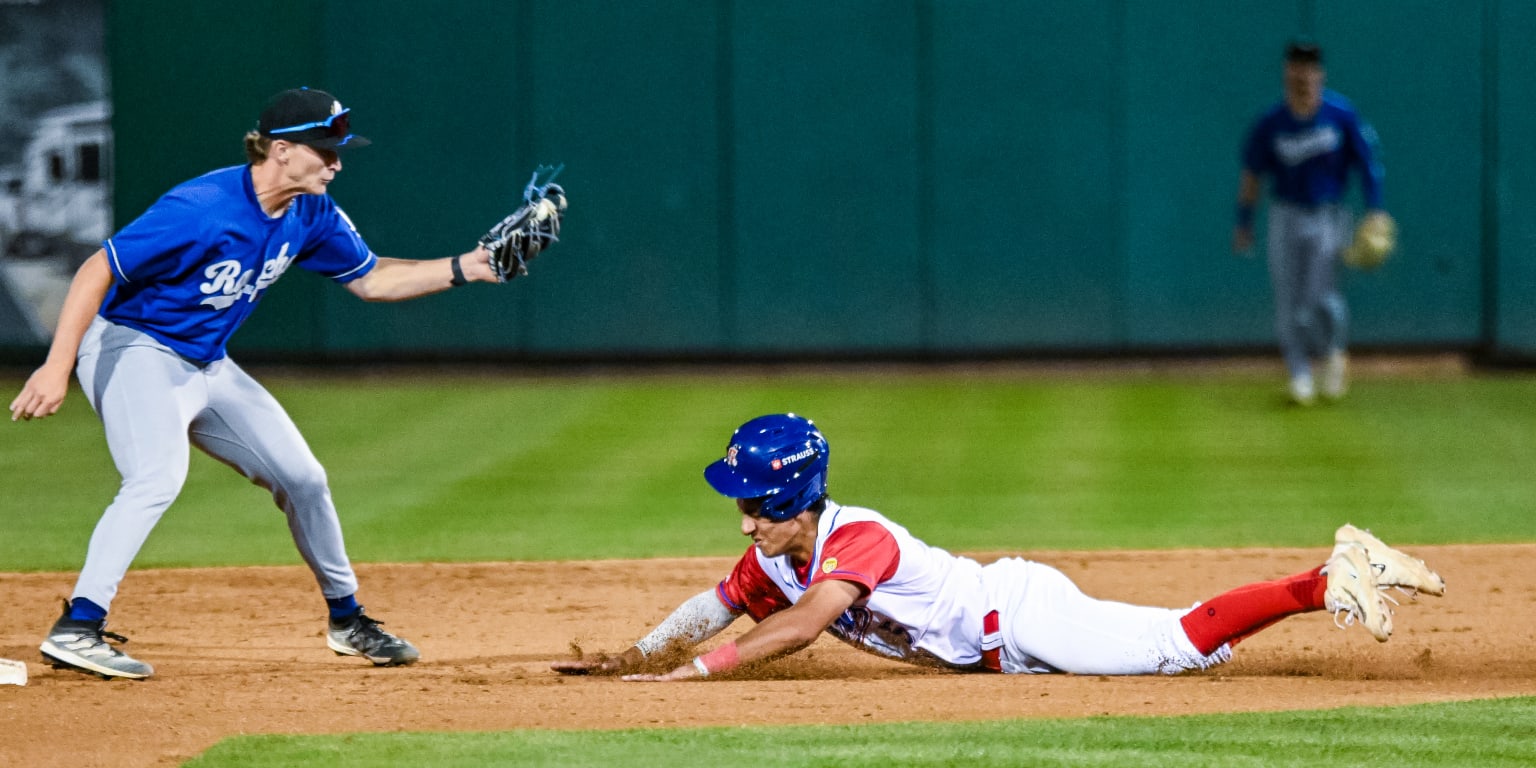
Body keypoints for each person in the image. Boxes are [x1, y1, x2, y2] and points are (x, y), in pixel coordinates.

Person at [8, 87, 507, 679]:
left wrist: (468, 267)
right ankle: (78, 627)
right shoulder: (202, 206)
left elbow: (372, 281)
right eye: (324, 150)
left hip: (207, 361)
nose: (336, 163)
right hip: (133, 345)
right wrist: (56, 365)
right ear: (279, 150)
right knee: (155, 476)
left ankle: (348, 620)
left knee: (304, 478)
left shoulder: (312, 210)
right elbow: (98, 268)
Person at [551, 414, 1445, 681]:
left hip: (1017, 615)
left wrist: (695, 675)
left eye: (755, 504)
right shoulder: (778, 553)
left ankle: (1325, 578)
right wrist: (636, 654)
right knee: (1170, 648)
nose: (744, 521)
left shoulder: (851, 539)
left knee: (1176, 650)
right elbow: (717, 605)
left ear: (791, 498)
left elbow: (803, 628)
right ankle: (1335, 568)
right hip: (1002, 635)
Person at [1233, 39, 1387, 406]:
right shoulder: (1271, 121)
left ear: (1320, 74)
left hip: (1328, 215)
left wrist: (1375, 210)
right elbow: (1252, 175)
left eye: (1309, 68)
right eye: (1296, 67)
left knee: (1323, 300)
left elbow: (1369, 165)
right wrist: (1244, 222)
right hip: (1285, 215)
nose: (1302, 74)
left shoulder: (1340, 114)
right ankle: (1300, 373)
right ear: (1287, 72)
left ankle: (1333, 352)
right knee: (1289, 304)